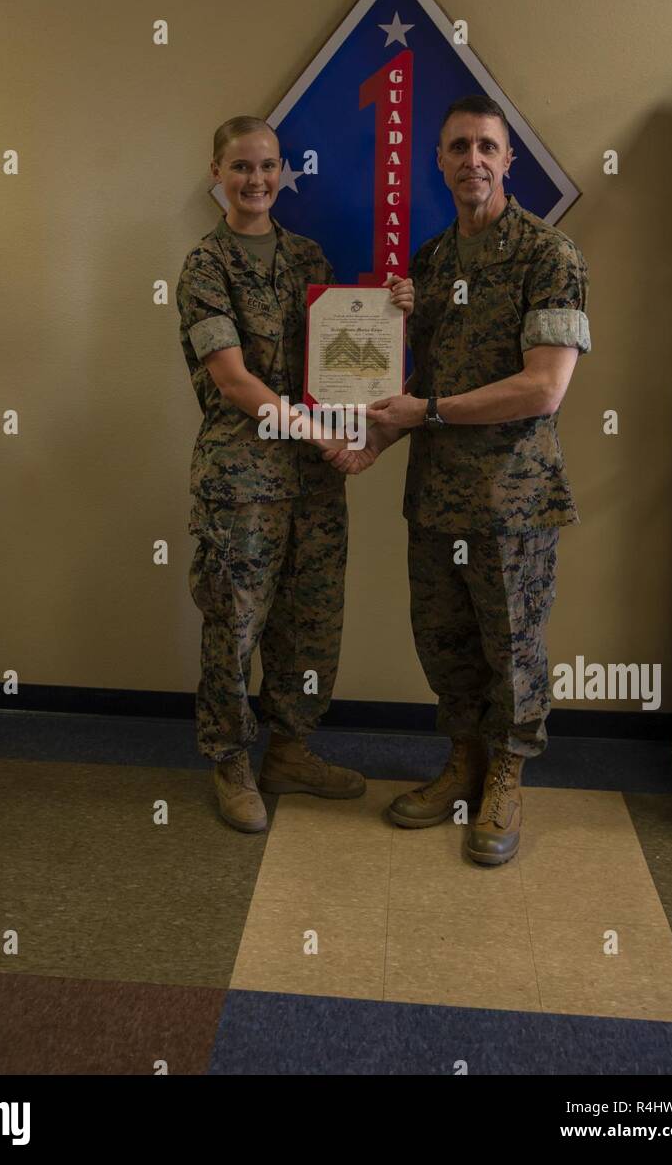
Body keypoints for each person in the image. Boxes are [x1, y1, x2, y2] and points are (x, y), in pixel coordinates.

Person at [325, 95, 590, 865]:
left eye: (486, 147)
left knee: (511, 645)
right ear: (438, 163)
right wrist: (373, 438)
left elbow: (544, 388)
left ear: (509, 161)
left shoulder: (550, 256)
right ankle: (463, 762)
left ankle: (507, 774)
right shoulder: (433, 263)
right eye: (458, 148)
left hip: (513, 500)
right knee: (443, 643)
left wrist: (426, 410)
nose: (472, 160)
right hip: (436, 498)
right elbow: (415, 382)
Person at [176, 115, 414, 832]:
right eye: (242, 167)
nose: (256, 180)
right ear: (216, 171)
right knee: (235, 622)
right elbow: (234, 383)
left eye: (268, 166)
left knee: (311, 621)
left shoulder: (308, 258)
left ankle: (289, 749)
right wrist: (321, 435)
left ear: (284, 172)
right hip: (241, 478)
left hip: (312, 480)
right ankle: (230, 761)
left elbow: (344, 357)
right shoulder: (204, 266)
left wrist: (397, 309)